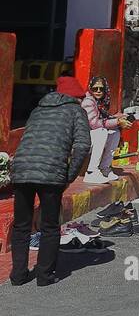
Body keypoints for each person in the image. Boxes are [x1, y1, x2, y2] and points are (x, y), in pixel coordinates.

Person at [9, 86, 91, 286]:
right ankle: (45, 276)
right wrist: (69, 177)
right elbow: (82, 145)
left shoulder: (38, 109)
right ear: (76, 97)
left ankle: (18, 275)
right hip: (51, 172)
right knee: (49, 226)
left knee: (21, 225)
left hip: (21, 169)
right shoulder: (76, 111)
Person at [81, 76, 130, 182]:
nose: (98, 91)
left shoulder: (101, 103)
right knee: (101, 132)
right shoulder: (88, 102)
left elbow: (104, 118)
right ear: (90, 89)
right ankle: (91, 172)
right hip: (81, 138)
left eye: (101, 89)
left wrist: (119, 118)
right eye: (95, 88)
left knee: (114, 132)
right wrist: (117, 122)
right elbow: (94, 124)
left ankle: (104, 168)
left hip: (90, 136)